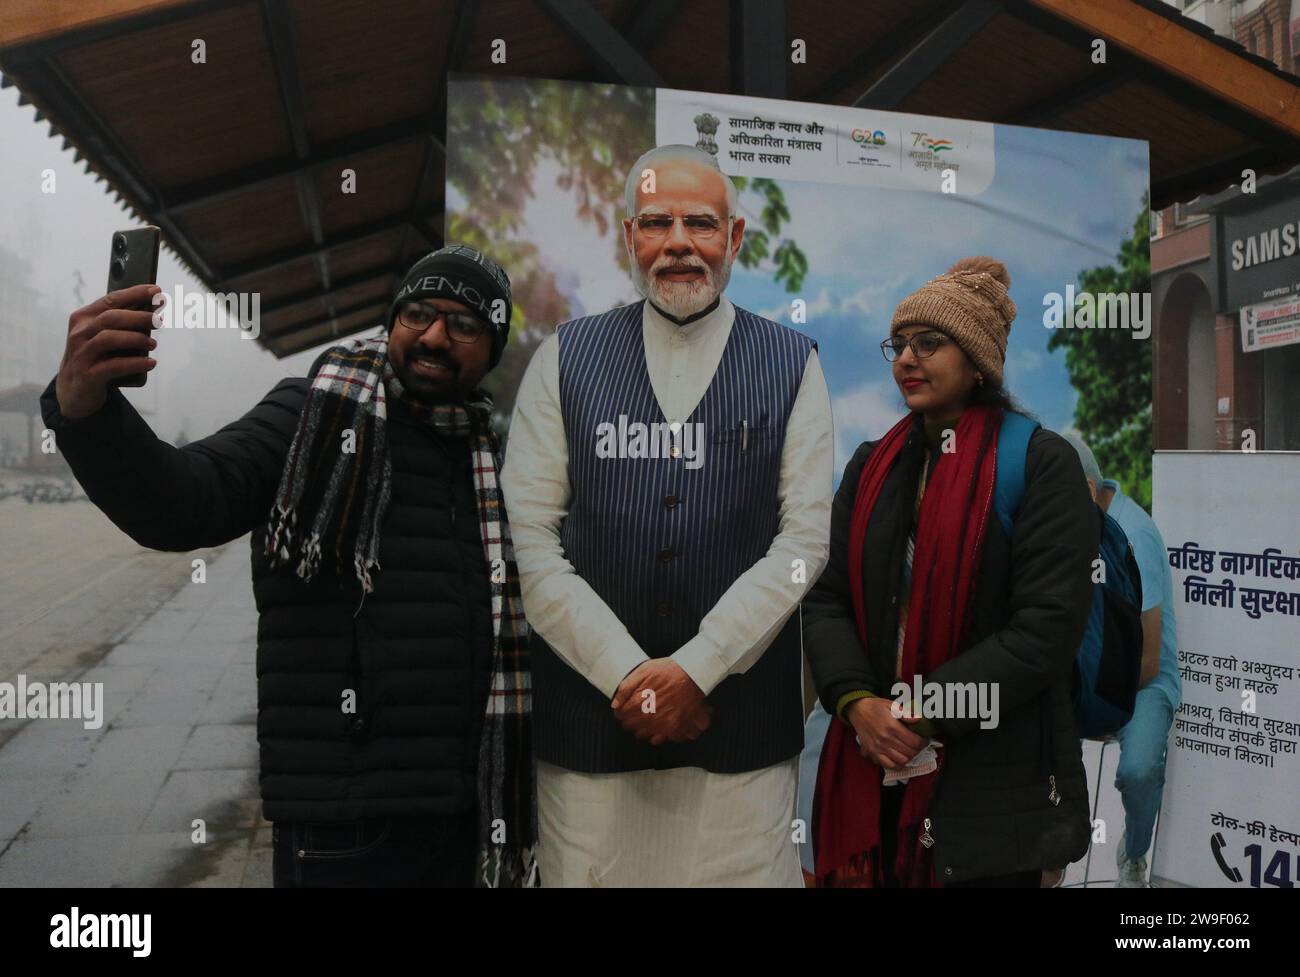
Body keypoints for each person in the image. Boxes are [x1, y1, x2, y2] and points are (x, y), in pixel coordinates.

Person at [40, 245, 535, 888]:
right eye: (418, 314)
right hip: (345, 824)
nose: (436, 336)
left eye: (465, 325)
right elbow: (186, 501)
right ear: (393, 323)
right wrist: (87, 412)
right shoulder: (311, 414)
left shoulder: (496, 463)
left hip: (470, 818)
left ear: (492, 350)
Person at [501, 144, 833, 887]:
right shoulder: (566, 357)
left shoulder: (793, 362)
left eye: (700, 223)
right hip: (591, 744)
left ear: (735, 238)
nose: (678, 241)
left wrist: (697, 668)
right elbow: (530, 536)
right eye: (656, 222)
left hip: (740, 749)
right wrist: (629, 674)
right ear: (629, 238)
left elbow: (804, 541)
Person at [803, 256, 1096, 887]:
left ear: (978, 361)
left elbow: (1044, 631)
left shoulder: (1042, 465)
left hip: (995, 796)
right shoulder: (871, 466)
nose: (906, 359)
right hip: (873, 769)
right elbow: (826, 599)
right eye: (899, 344)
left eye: (929, 343)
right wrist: (857, 706)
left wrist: (919, 715)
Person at [1063, 434, 1180, 888]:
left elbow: (1148, 659)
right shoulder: (1070, 524)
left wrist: (1103, 703)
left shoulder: (1135, 536)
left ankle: (1133, 853)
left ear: (1090, 491)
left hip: (1141, 677)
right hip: (1088, 667)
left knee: (1139, 769)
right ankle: (1051, 855)